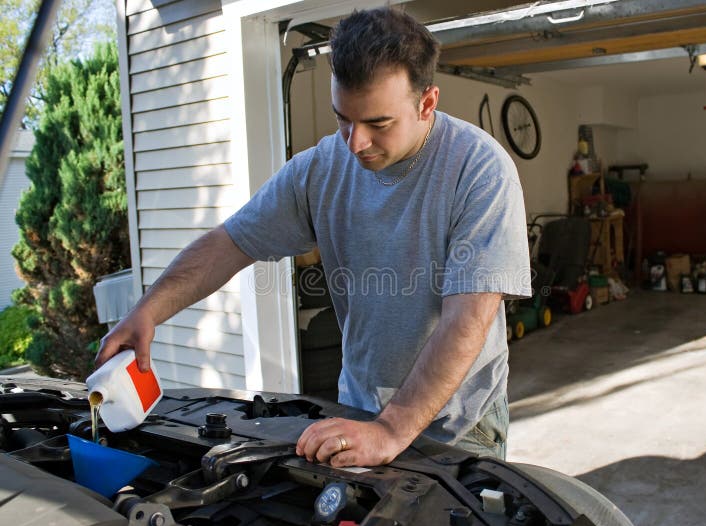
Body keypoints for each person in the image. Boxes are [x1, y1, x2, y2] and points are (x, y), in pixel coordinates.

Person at [95, 7, 531, 467]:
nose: (355, 142)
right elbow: (230, 243)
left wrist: (391, 429)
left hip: (459, 427)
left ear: (426, 103)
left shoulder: (479, 169)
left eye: (378, 124)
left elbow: (466, 320)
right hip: (359, 410)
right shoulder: (320, 170)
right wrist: (147, 311)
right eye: (343, 118)